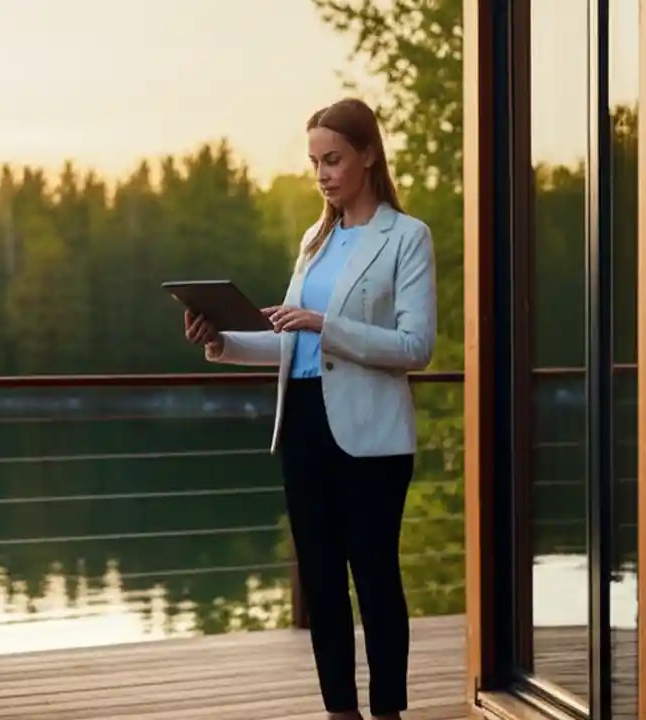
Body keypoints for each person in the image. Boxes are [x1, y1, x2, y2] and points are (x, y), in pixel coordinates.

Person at [183, 98, 436, 720]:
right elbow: (295, 342)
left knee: (374, 579)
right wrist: (222, 341)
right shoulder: (314, 240)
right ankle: (339, 711)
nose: (322, 174)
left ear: (368, 155)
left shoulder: (407, 237)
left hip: (370, 436)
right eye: (314, 162)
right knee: (320, 581)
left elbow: (416, 346)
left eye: (333, 159)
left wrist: (328, 323)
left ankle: (388, 712)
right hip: (301, 423)